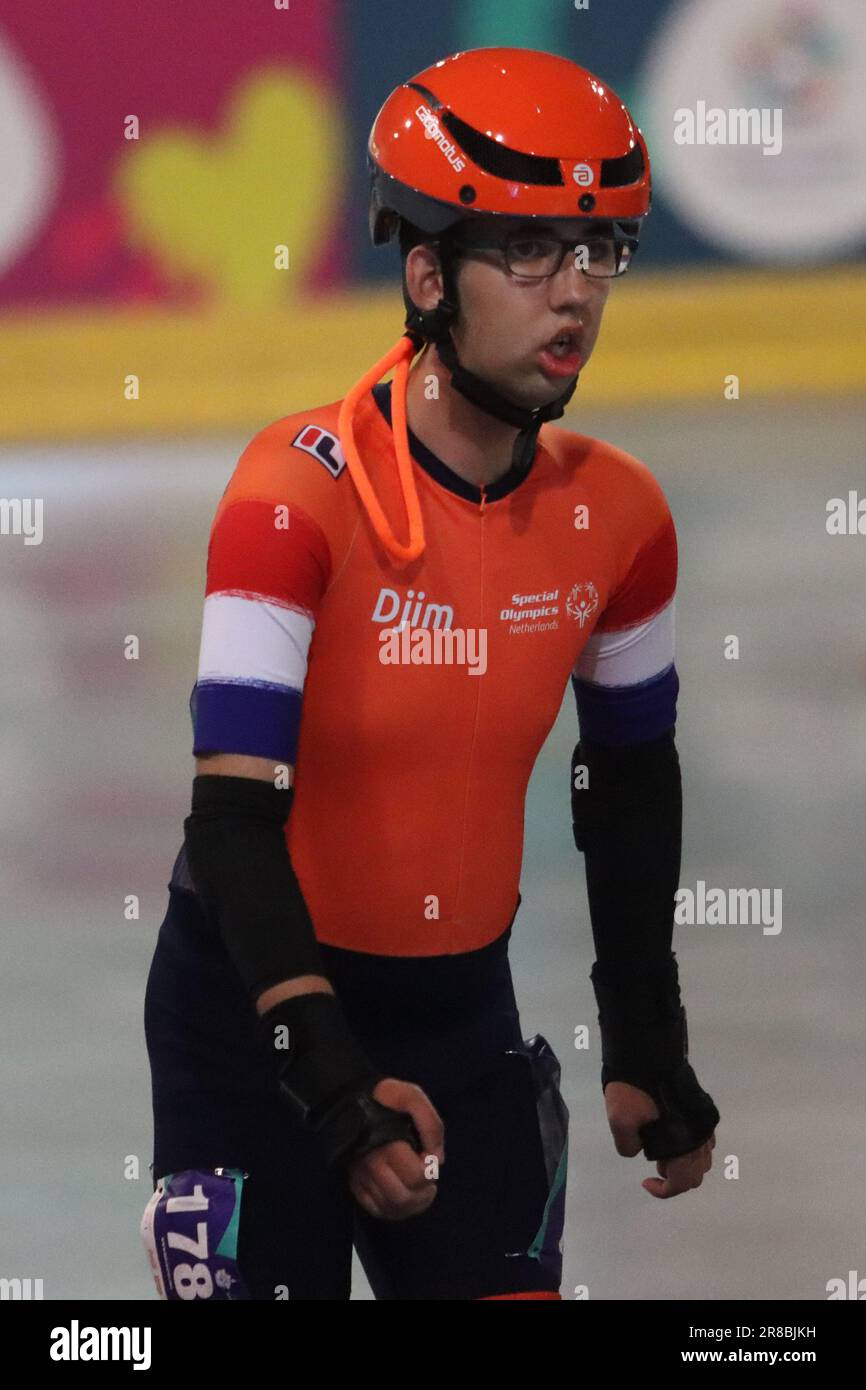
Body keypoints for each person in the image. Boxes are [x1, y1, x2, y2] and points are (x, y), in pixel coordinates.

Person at [140, 46, 719, 1303]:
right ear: (423, 274)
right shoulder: (291, 500)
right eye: (527, 251)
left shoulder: (620, 519)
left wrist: (645, 1037)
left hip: (458, 1025)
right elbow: (234, 818)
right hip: (254, 1020)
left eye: (598, 250)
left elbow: (627, 786)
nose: (573, 293)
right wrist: (326, 1076)